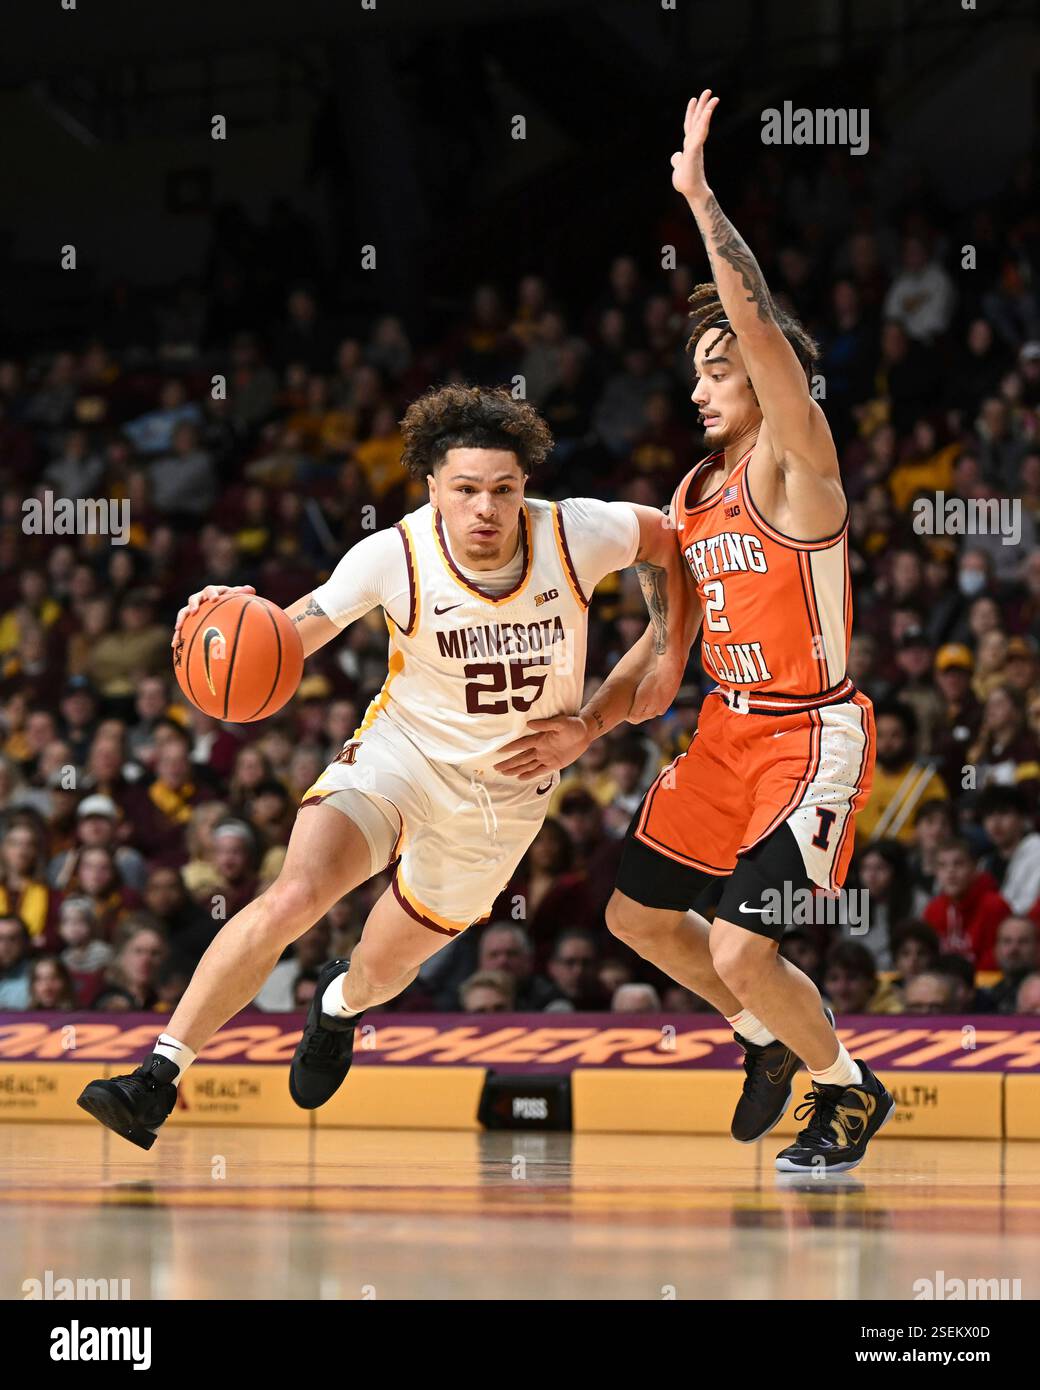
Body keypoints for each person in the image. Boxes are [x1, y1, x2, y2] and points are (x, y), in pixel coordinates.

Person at [77, 384, 692, 1148]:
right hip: (400, 757)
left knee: (378, 967)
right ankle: (156, 1078)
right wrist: (217, 624)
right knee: (294, 895)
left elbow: (669, 541)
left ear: (525, 486)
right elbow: (290, 632)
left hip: (504, 800)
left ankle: (337, 1006)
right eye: (465, 490)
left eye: (502, 490)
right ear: (433, 488)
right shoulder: (393, 554)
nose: (485, 510)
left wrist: (660, 659)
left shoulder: (576, 533)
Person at [495, 94, 891, 1174]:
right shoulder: (689, 491)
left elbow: (759, 329)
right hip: (724, 730)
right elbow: (665, 649)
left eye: (719, 369)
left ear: (769, 383)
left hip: (809, 738)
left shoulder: (794, 466)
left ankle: (847, 1092)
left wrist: (699, 198)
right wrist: (585, 727)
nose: (700, 383)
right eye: (698, 369)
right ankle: (761, 1042)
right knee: (634, 919)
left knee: (738, 945)